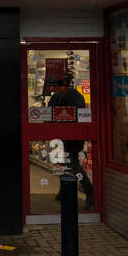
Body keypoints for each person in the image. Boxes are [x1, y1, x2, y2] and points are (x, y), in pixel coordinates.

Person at [49, 76, 93, 210]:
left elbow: (49, 113)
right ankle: (63, 192)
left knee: (71, 164)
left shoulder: (57, 96)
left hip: (63, 136)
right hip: (77, 135)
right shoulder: (79, 96)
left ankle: (89, 190)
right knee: (70, 163)